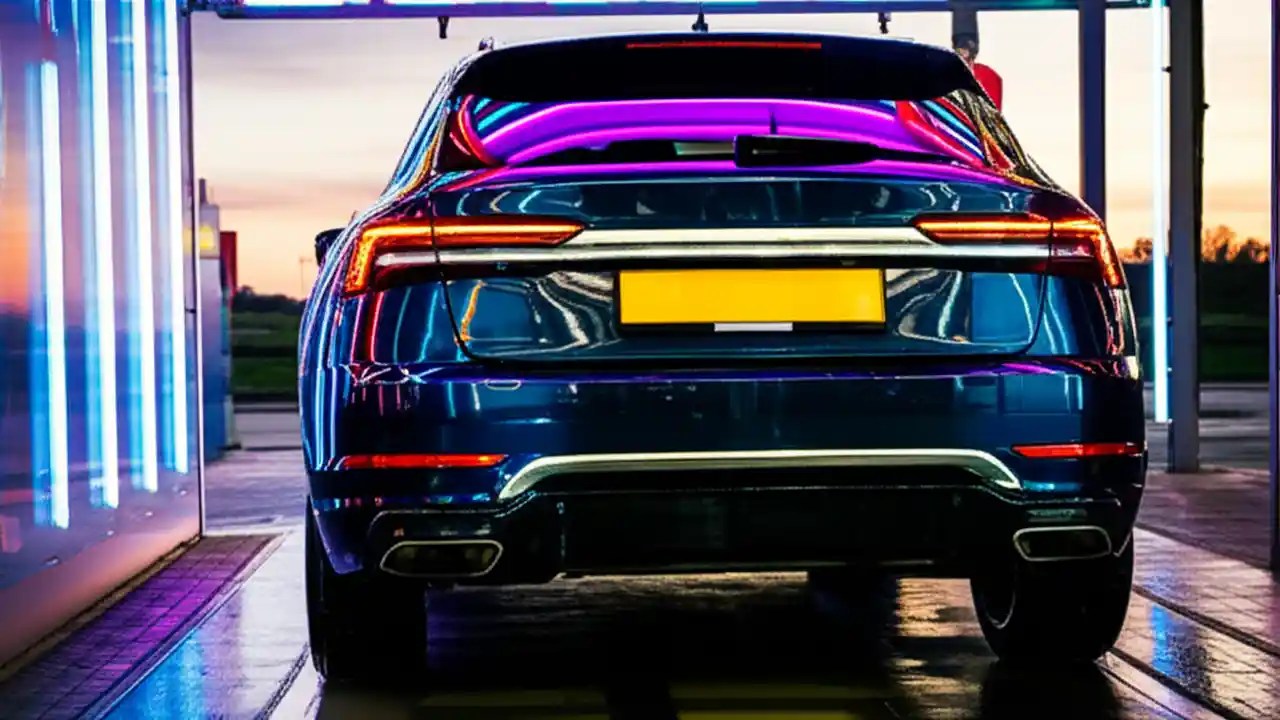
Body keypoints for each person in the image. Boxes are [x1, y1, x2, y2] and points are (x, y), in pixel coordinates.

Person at [953, 32, 1003, 109]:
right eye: (960, 46)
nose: (964, 50)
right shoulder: (948, 74)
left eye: (967, 46)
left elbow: (993, 111)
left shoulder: (989, 75)